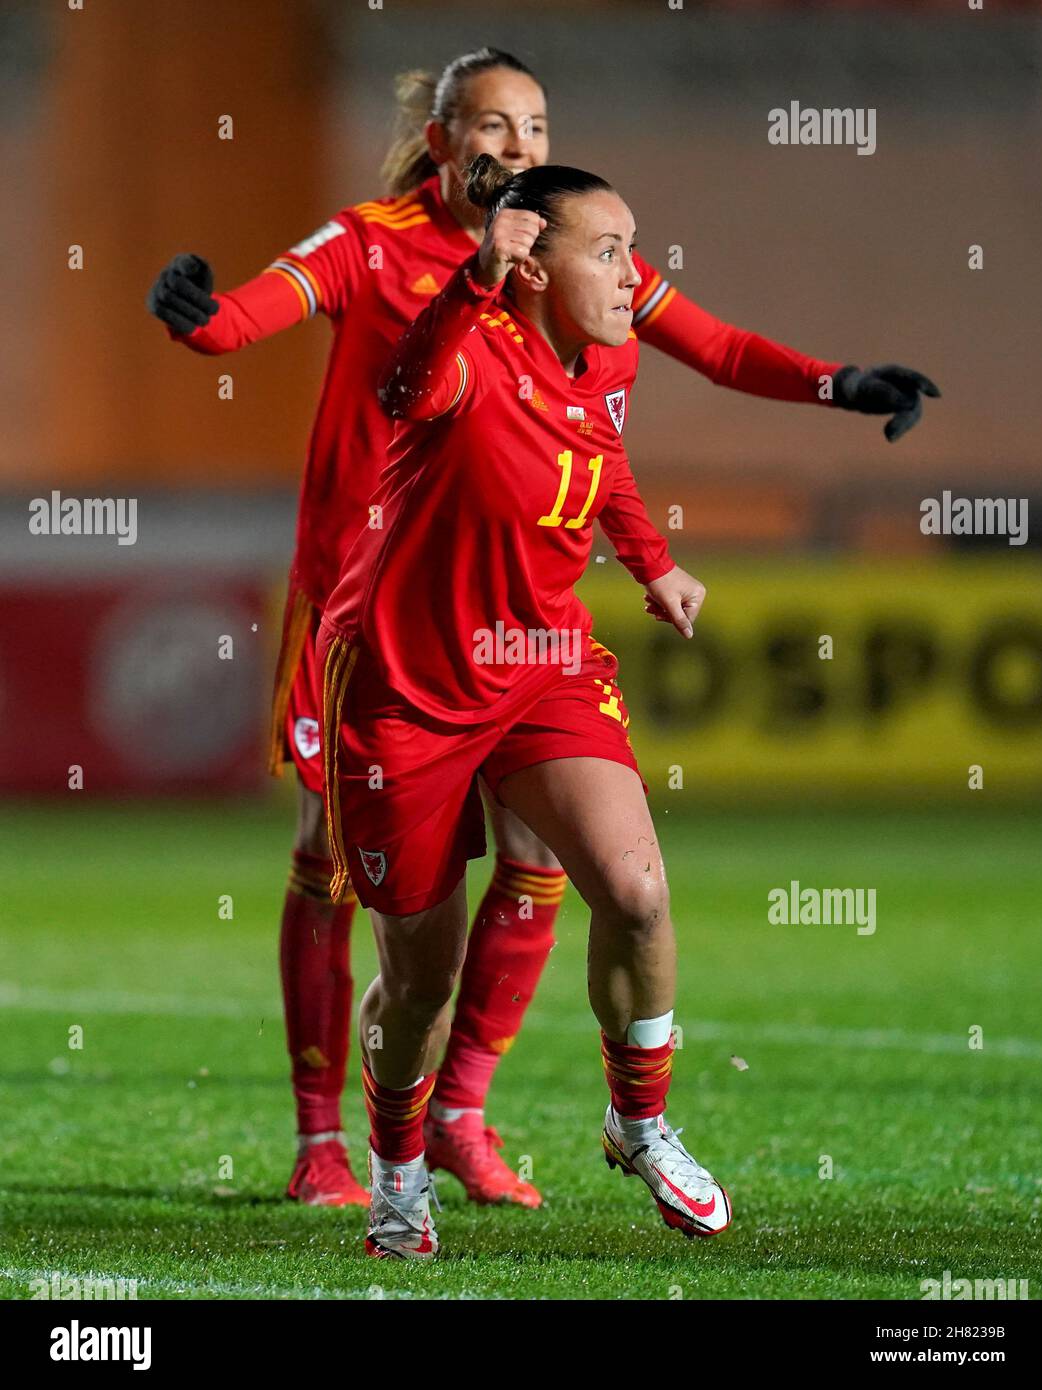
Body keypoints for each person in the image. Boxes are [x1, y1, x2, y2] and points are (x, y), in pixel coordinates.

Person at [146, 47, 939, 1212]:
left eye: (535, 124)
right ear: (439, 141)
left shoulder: (570, 249)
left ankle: (464, 1115)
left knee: (546, 866)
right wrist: (195, 313)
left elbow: (706, 353)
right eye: (493, 126)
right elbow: (244, 326)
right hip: (366, 616)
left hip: (516, 633)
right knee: (338, 879)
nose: (518, 146)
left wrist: (831, 383)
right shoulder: (372, 243)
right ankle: (327, 1140)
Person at [319, 153, 734, 1259]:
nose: (628, 271)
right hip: (405, 690)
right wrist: (466, 279)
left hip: (541, 663)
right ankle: (399, 1167)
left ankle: (636, 1122)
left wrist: (652, 564)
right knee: (419, 979)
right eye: (605, 250)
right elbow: (402, 388)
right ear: (531, 261)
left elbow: (605, 463)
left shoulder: (600, 359)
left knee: (637, 891)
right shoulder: (467, 350)